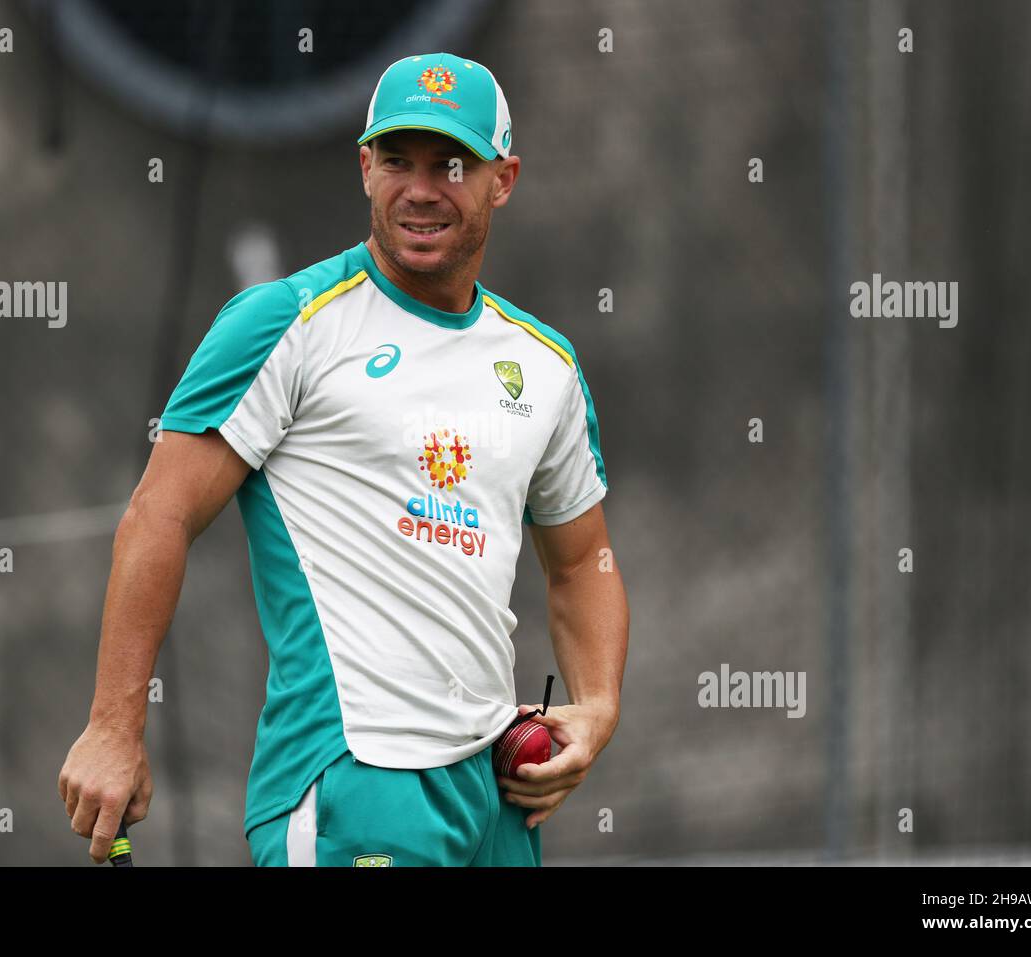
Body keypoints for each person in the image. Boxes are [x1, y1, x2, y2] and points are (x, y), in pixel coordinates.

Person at [58, 52, 629, 866]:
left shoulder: (546, 365)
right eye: (398, 160)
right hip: (353, 782)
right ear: (365, 168)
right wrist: (114, 728)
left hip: (497, 798)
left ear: (503, 179)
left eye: (453, 163)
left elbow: (582, 563)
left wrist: (598, 705)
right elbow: (160, 513)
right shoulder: (285, 323)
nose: (422, 188)